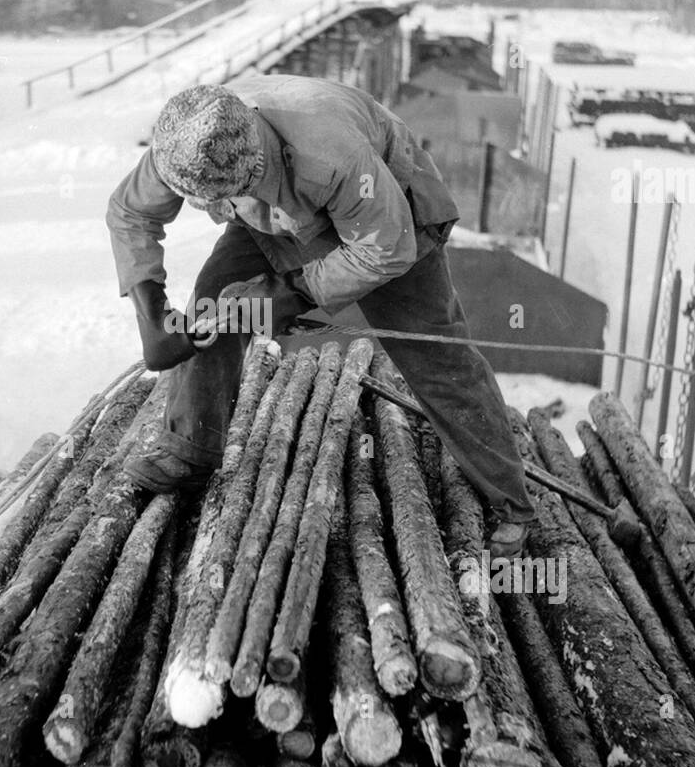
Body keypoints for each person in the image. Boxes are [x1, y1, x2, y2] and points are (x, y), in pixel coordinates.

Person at [106, 73, 534, 556]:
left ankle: (510, 503)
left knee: (437, 358)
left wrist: (289, 292)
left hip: (388, 216)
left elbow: (385, 250)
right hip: (273, 211)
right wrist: (150, 309)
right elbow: (130, 212)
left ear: (245, 175)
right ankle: (191, 450)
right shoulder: (187, 140)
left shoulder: (332, 155)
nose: (208, 212)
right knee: (216, 298)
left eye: (215, 203)